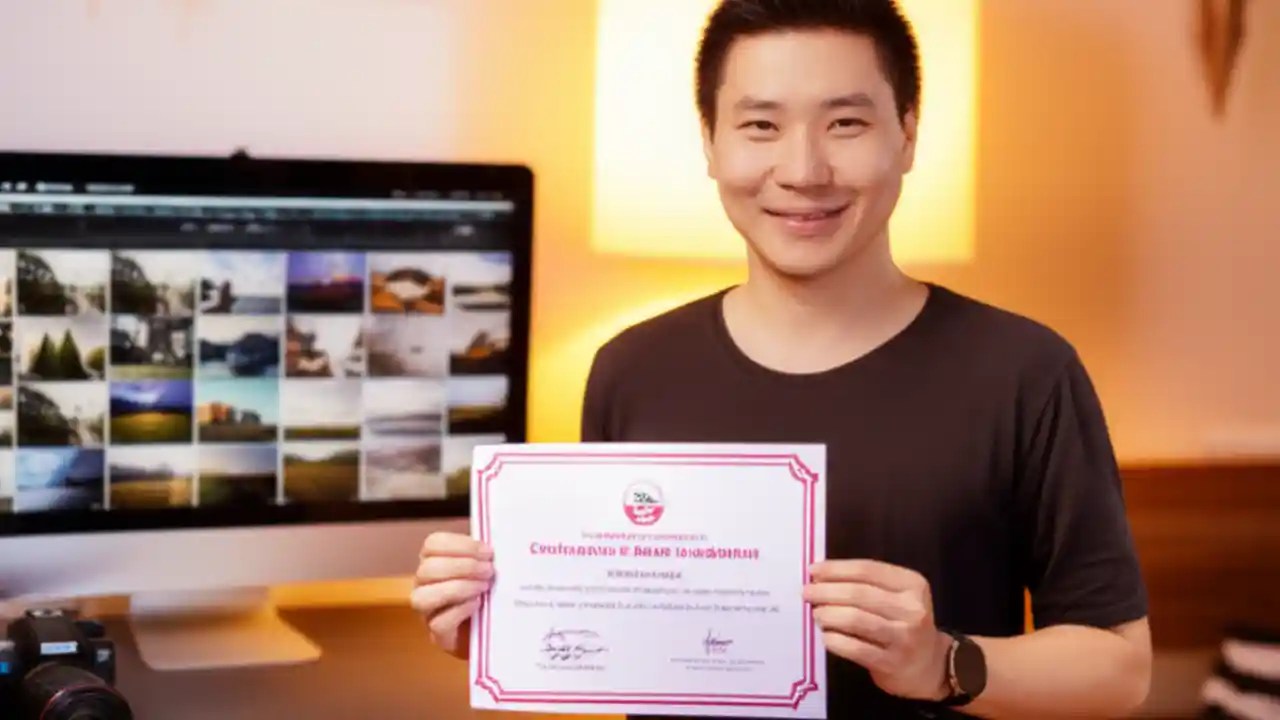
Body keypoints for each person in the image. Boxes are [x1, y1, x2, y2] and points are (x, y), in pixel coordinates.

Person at [411, 0, 1154, 717]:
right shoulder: (631, 370)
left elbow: (1118, 670)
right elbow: (625, 632)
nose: (803, 169)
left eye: (846, 123)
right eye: (761, 125)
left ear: (908, 134)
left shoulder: (1024, 370)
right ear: (710, 142)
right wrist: (499, 624)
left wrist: (941, 662)